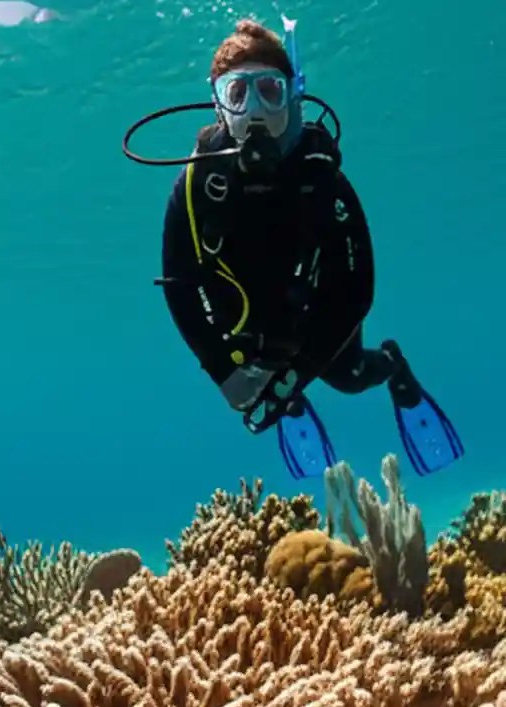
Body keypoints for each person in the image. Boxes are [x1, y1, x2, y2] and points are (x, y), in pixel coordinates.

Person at [142, 18, 464, 479]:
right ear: (218, 104)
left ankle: (393, 366)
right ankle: (280, 393)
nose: (254, 108)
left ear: (292, 94)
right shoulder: (196, 185)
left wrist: (299, 371)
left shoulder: (320, 178)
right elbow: (177, 284)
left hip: (318, 319)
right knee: (256, 375)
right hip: (245, 328)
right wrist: (220, 369)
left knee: (349, 380)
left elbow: (356, 290)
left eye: (269, 90)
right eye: (238, 93)